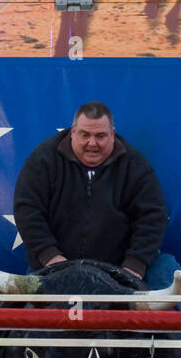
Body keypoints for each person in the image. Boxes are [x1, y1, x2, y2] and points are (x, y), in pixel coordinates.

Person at [13, 102, 170, 282]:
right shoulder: (43, 160)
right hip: (53, 267)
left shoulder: (135, 166)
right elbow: (27, 210)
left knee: (167, 268)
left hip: (119, 272)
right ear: (73, 132)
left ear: (112, 134)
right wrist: (50, 258)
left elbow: (152, 217)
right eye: (85, 135)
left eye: (100, 136)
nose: (92, 143)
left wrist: (134, 265)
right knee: (18, 308)